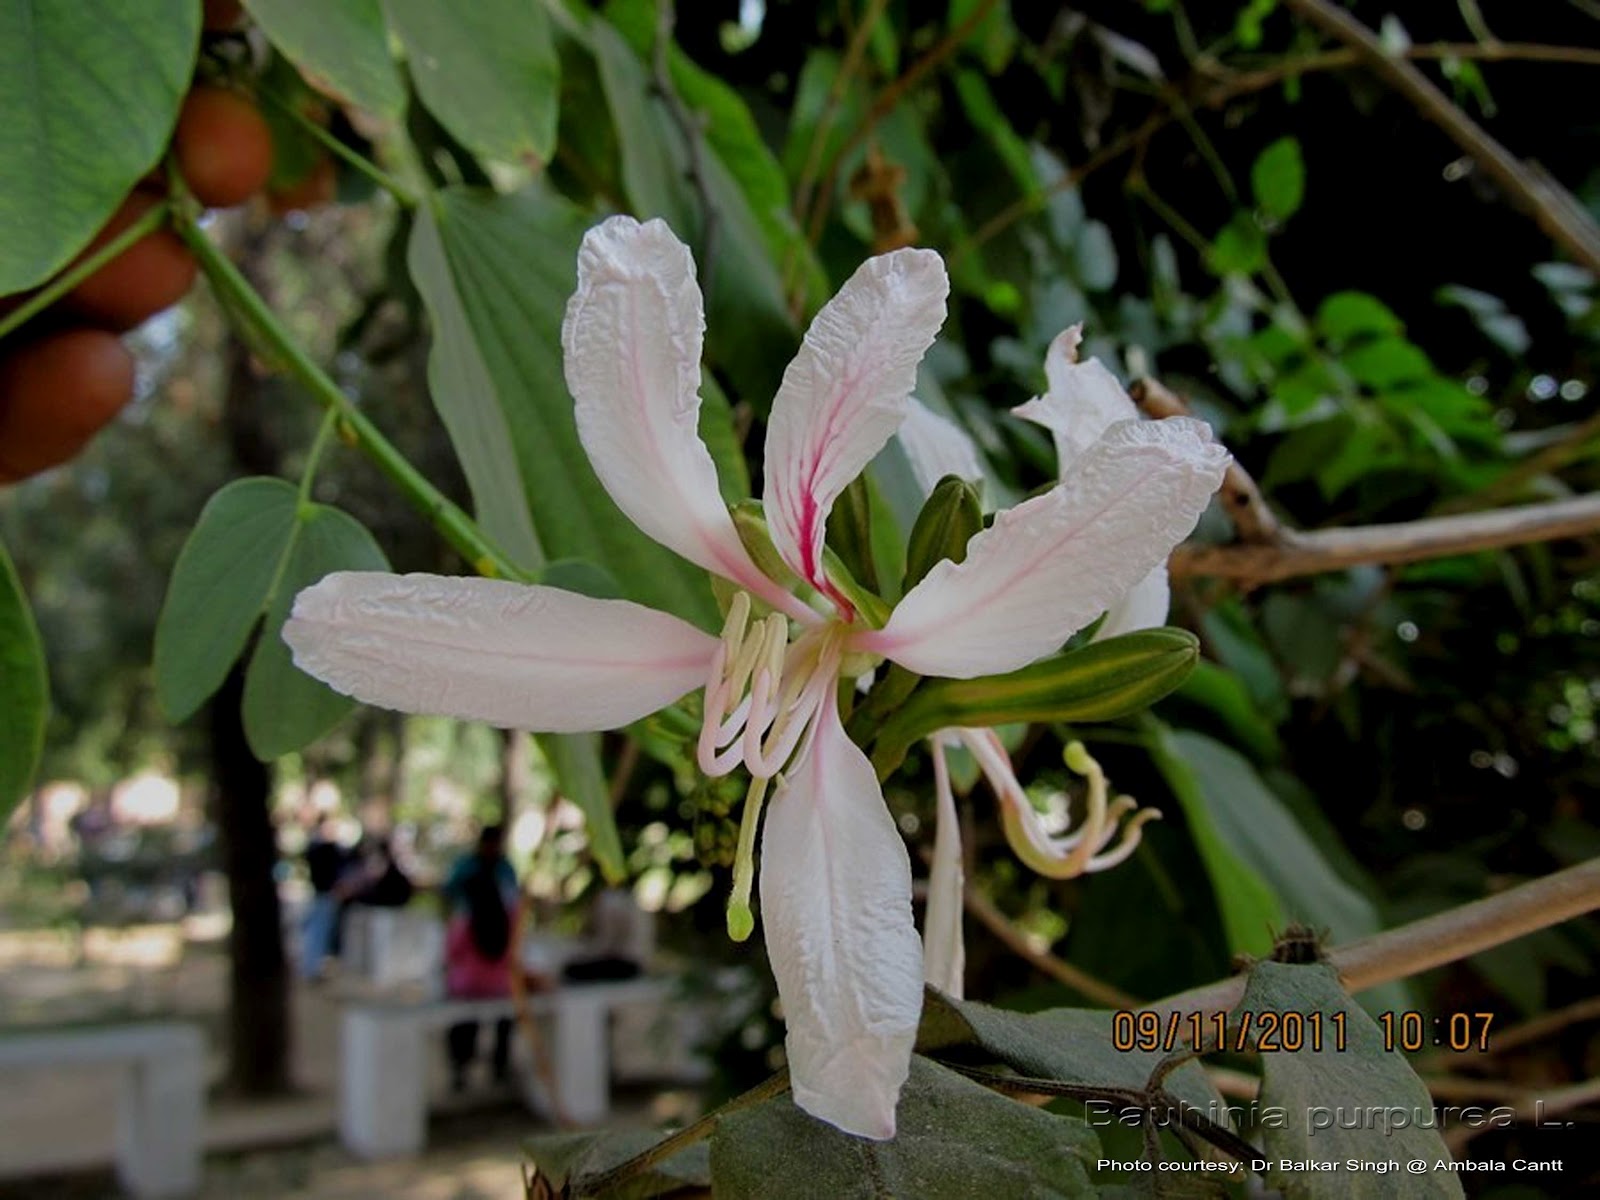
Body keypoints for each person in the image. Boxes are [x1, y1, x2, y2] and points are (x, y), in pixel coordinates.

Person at [441, 824, 519, 1090]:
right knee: (498, 1013)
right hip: (498, 983)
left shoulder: (465, 921)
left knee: (463, 1015)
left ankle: (464, 1066)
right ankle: (494, 1065)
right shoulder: (471, 868)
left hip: (468, 985)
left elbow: (451, 954)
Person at [301, 817, 346, 981]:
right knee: (318, 933)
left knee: (317, 933)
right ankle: (311, 969)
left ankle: (312, 968)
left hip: (322, 894)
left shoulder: (318, 848)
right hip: (323, 895)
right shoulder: (324, 849)